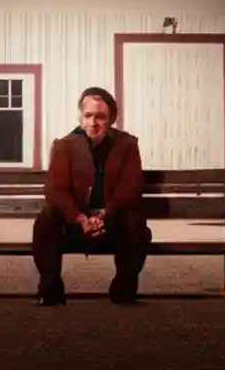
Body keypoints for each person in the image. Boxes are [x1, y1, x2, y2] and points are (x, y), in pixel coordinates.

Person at [32, 86, 151, 305]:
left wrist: (105, 214)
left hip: (113, 222)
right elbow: (56, 190)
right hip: (75, 223)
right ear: (81, 116)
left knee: (136, 221)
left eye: (101, 117)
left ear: (112, 118)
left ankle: (124, 287)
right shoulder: (65, 145)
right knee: (47, 218)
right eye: (88, 116)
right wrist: (79, 218)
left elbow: (131, 187)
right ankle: (50, 287)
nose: (93, 123)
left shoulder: (127, 144)